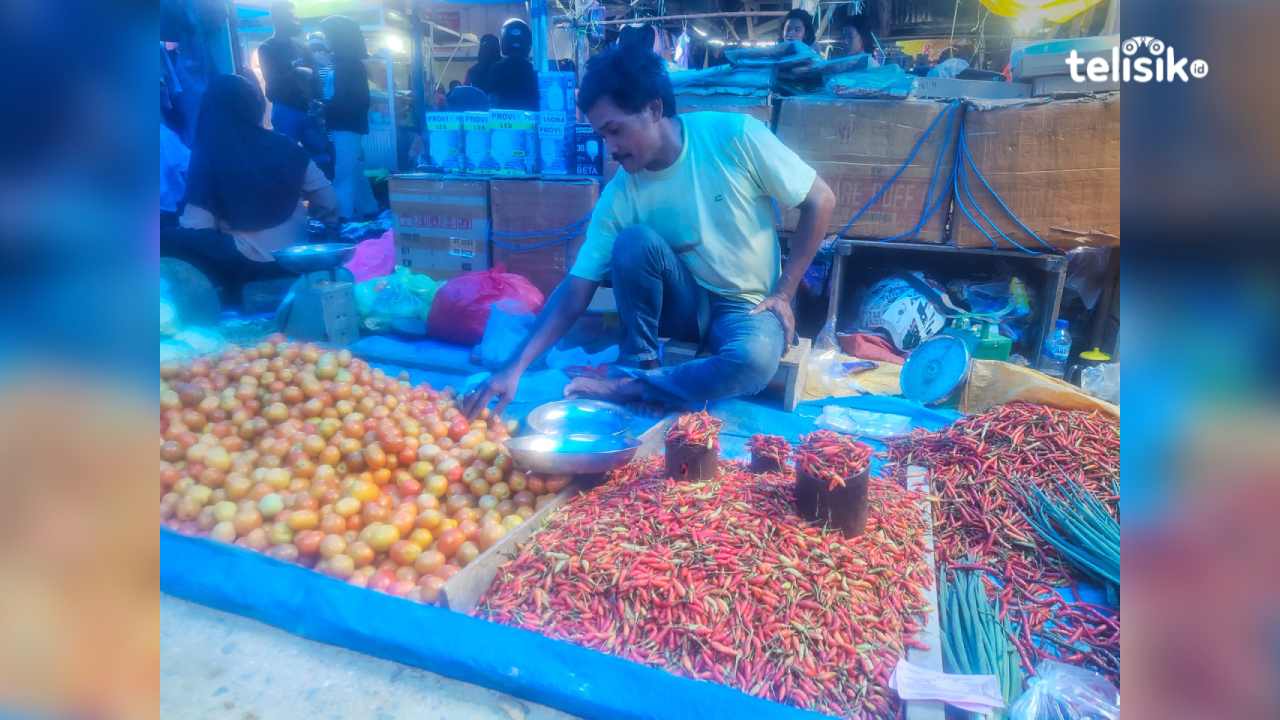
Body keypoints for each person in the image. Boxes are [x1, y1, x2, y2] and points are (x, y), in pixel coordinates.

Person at [463, 45, 835, 418]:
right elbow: (576, 290)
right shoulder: (621, 193)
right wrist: (513, 368)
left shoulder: (735, 137)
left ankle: (630, 387)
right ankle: (637, 364)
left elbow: (820, 200)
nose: (610, 149)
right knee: (633, 243)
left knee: (754, 362)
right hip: (682, 307)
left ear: (654, 109)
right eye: (601, 136)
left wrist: (784, 293)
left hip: (746, 307)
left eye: (615, 131)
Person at [178, 74, 337, 274]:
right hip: (297, 259)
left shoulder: (207, 155)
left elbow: (196, 227)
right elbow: (327, 199)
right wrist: (325, 225)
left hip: (242, 269)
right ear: (255, 106)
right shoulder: (286, 146)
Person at [320, 15, 379, 220]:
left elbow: (349, 101)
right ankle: (370, 210)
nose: (325, 40)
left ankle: (341, 219)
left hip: (346, 126)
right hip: (350, 126)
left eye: (328, 35)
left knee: (343, 175)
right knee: (354, 171)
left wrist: (324, 108)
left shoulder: (347, 66)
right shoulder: (350, 64)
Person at [257, 1, 314, 142]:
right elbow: (273, 82)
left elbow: (313, 76)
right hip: (285, 109)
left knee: (323, 158)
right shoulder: (267, 48)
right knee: (287, 159)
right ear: (277, 19)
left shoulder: (301, 47)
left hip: (308, 107)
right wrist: (297, 72)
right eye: (290, 16)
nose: (296, 20)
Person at [485, 19, 539, 110]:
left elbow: (491, 100)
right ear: (528, 43)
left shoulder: (496, 69)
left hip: (501, 122)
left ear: (503, 42)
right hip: (530, 121)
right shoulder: (534, 70)